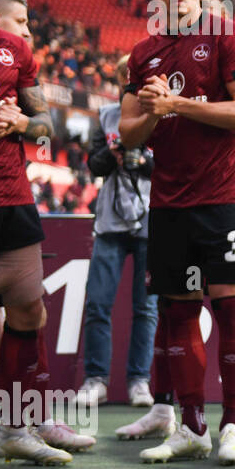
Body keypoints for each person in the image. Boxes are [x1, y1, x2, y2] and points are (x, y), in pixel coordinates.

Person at [119, 0, 235, 466]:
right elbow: (130, 136)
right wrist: (157, 112)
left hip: (224, 198)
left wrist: (176, 102)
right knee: (178, 313)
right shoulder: (143, 54)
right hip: (170, 202)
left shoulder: (229, 35)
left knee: (228, 306)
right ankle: (193, 426)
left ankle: (232, 424)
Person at [0, 0, 92, 462]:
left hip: (12, 201)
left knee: (30, 314)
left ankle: (18, 426)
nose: (28, 31)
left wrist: (18, 125)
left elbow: (44, 126)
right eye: (21, 21)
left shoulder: (17, 54)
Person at [79, 78, 157, 408]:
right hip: (110, 222)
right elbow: (93, 164)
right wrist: (115, 154)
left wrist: (145, 162)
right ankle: (96, 379)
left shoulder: (162, 117)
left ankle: (139, 380)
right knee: (98, 303)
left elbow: (174, 166)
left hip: (150, 220)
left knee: (147, 307)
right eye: (129, 89)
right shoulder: (106, 116)